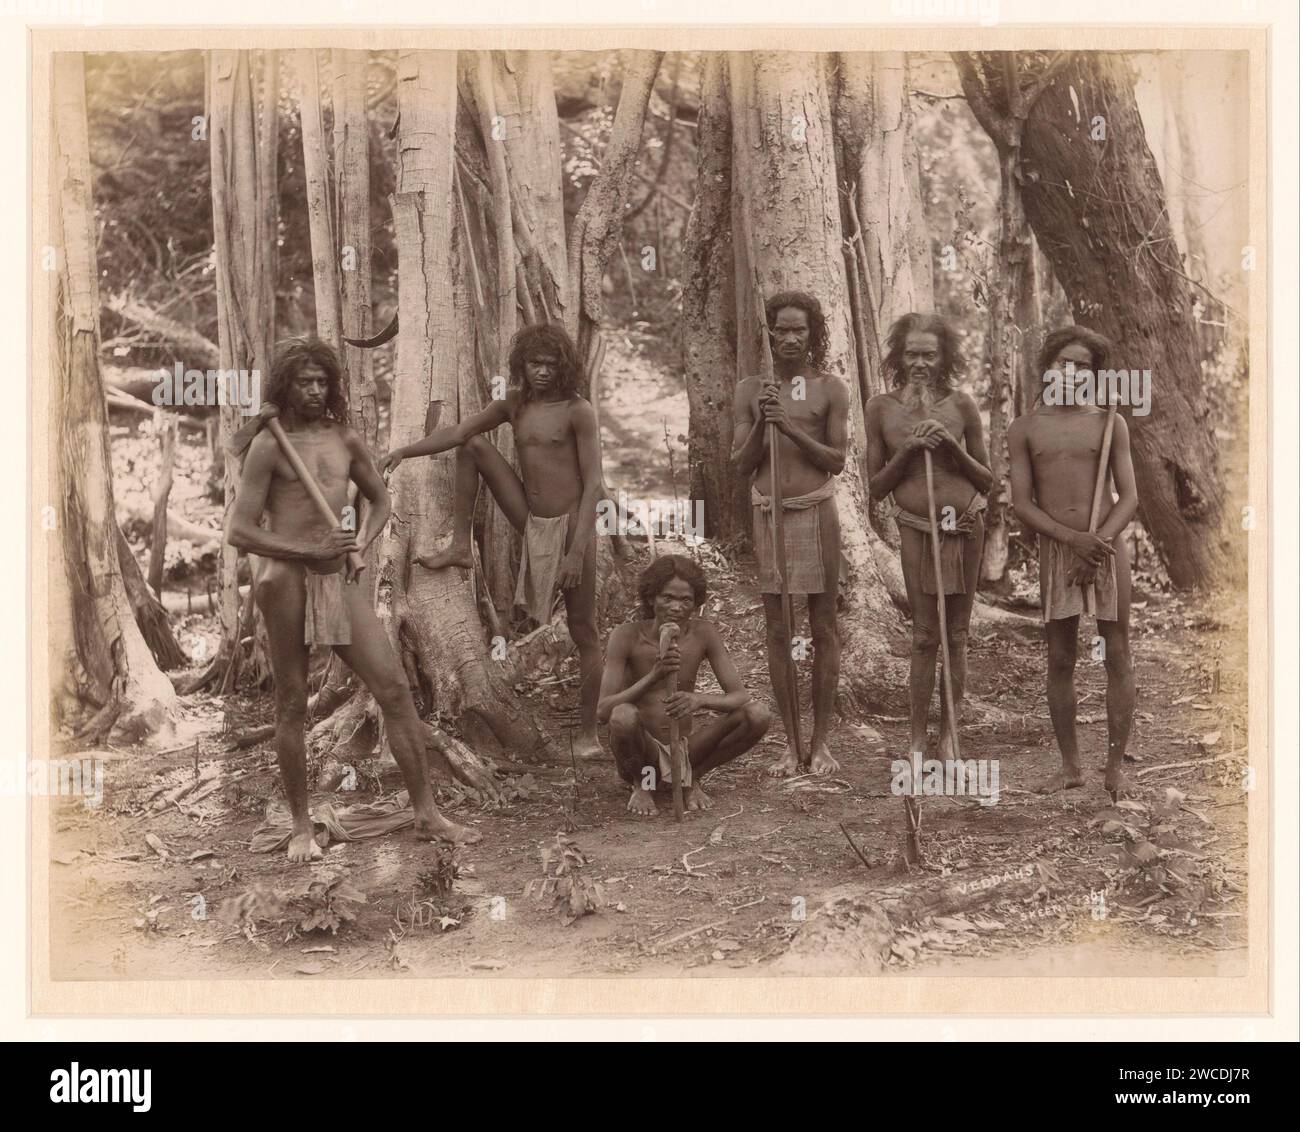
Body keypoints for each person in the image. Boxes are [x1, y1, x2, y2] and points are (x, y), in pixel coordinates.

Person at [226, 337, 481, 863]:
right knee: (292, 702)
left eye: (322, 382)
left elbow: (381, 498)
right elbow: (240, 529)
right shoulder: (270, 444)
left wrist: (359, 542)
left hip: (335, 579)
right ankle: (301, 826)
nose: (315, 391)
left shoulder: (345, 439)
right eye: (304, 382)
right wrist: (306, 546)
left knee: (393, 689)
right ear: (286, 387)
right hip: (285, 579)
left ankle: (428, 815)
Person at [380, 323, 603, 759]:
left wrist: (576, 552)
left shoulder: (578, 410)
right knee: (473, 448)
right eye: (534, 363)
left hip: (572, 526)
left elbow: (594, 484)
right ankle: (461, 545)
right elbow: (459, 433)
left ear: (565, 367)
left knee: (584, 630)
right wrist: (406, 450)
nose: (542, 372)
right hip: (530, 515)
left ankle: (589, 733)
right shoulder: (515, 404)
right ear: (522, 365)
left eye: (550, 364)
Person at [1007, 326, 1138, 798]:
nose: (1072, 371)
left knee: (1117, 654)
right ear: (1048, 367)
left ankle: (1114, 769)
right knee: (1060, 657)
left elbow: (1129, 497)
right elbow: (1023, 503)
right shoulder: (1025, 427)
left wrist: (1097, 542)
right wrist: (1072, 540)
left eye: (1083, 365)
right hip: (1058, 549)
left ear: (1095, 374)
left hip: (1106, 548)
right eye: (1064, 362)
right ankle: (1070, 766)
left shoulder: (1110, 424)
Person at [865, 313, 993, 764]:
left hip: (965, 527)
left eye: (929, 355)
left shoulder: (962, 406)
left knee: (956, 634)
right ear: (899, 358)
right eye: (912, 354)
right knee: (923, 636)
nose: (920, 363)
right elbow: (875, 487)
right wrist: (909, 450)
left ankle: (950, 736)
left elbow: (986, 480)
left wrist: (951, 448)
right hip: (916, 530)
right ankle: (917, 739)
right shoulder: (880, 408)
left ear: (944, 359)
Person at [731, 292, 848, 777]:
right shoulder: (750, 389)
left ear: (812, 332)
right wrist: (763, 418)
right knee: (779, 629)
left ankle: (820, 743)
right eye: (781, 329)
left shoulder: (830, 388)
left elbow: (836, 461)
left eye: (799, 329)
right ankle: (789, 741)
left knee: (822, 628)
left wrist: (791, 428)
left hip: (815, 512)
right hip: (769, 514)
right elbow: (740, 465)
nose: (790, 338)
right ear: (770, 333)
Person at [597, 555, 771, 817]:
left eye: (686, 600)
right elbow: (603, 711)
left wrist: (698, 699)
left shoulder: (704, 634)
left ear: (696, 602)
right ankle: (642, 784)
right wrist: (653, 677)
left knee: (758, 714)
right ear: (650, 598)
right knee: (622, 716)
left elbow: (740, 696)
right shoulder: (626, 636)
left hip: (686, 750)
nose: (677, 607)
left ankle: (690, 779)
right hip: (642, 750)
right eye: (668, 598)